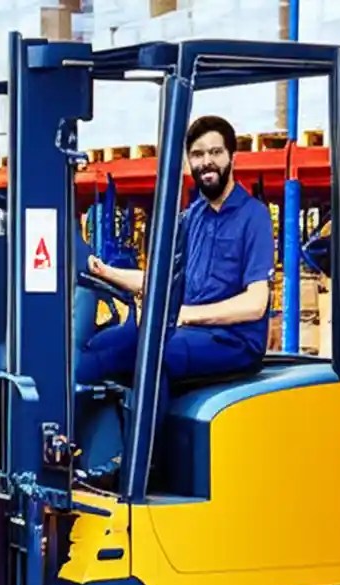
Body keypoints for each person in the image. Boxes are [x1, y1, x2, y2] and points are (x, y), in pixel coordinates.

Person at [78, 115, 273, 422]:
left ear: (231, 157)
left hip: (233, 341)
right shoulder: (191, 217)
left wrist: (185, 314)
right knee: (101, 346)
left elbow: (255, 303)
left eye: (215, 152)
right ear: (188, 163)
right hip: (187, 332)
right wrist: (104, 272)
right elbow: (161, 281)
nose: (206, 162)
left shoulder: (254, 216)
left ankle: (148, 462)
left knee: (151, 352)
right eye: (197, 154)